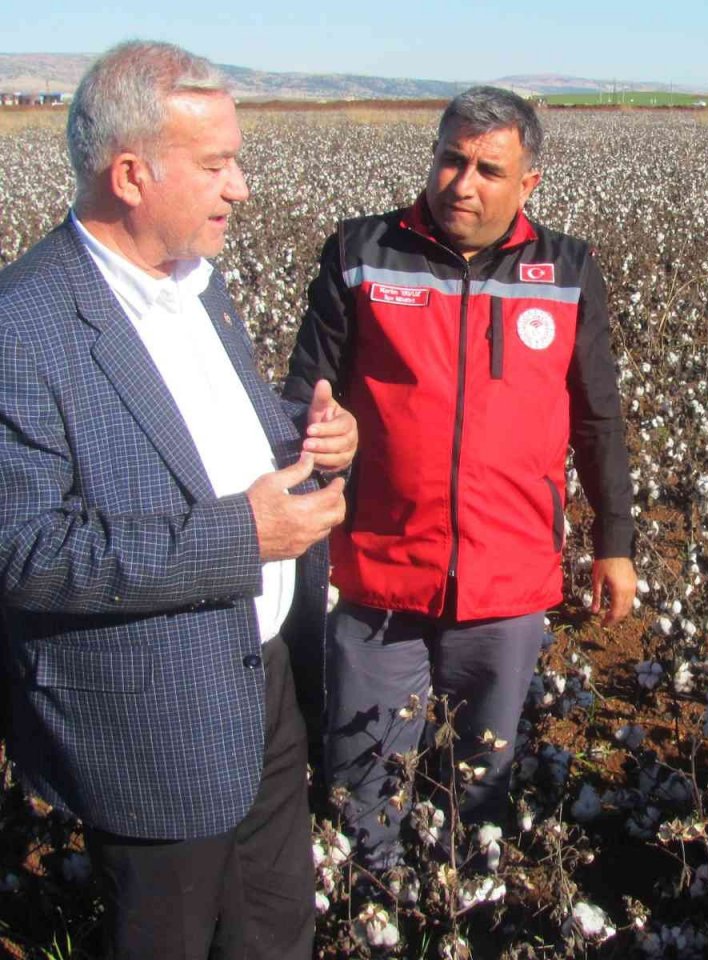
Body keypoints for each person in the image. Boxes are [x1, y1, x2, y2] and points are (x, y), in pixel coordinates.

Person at [0, 41, 357, 958]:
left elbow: (204, 438)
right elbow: (26, 551)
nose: (239, 186)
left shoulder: (200, 286)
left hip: (264, 683)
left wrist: (306, 440)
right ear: (130, 174)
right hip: (151, 720)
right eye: (216, 165)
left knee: (276, 936)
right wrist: (244, 535)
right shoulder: (23, 327)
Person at [285, 86, 636, 867]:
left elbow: (598, 420)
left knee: (477, 785)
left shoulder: (568, 270)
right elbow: (303, 397)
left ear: (528, 185)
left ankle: (461, 918)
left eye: (487, 168)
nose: (462, 183)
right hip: (380, 572)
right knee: (361, 781)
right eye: (451, 159)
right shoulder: (362, 254)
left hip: (508, 578)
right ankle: (368, 916)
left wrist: (616, 541)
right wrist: (317, 443)